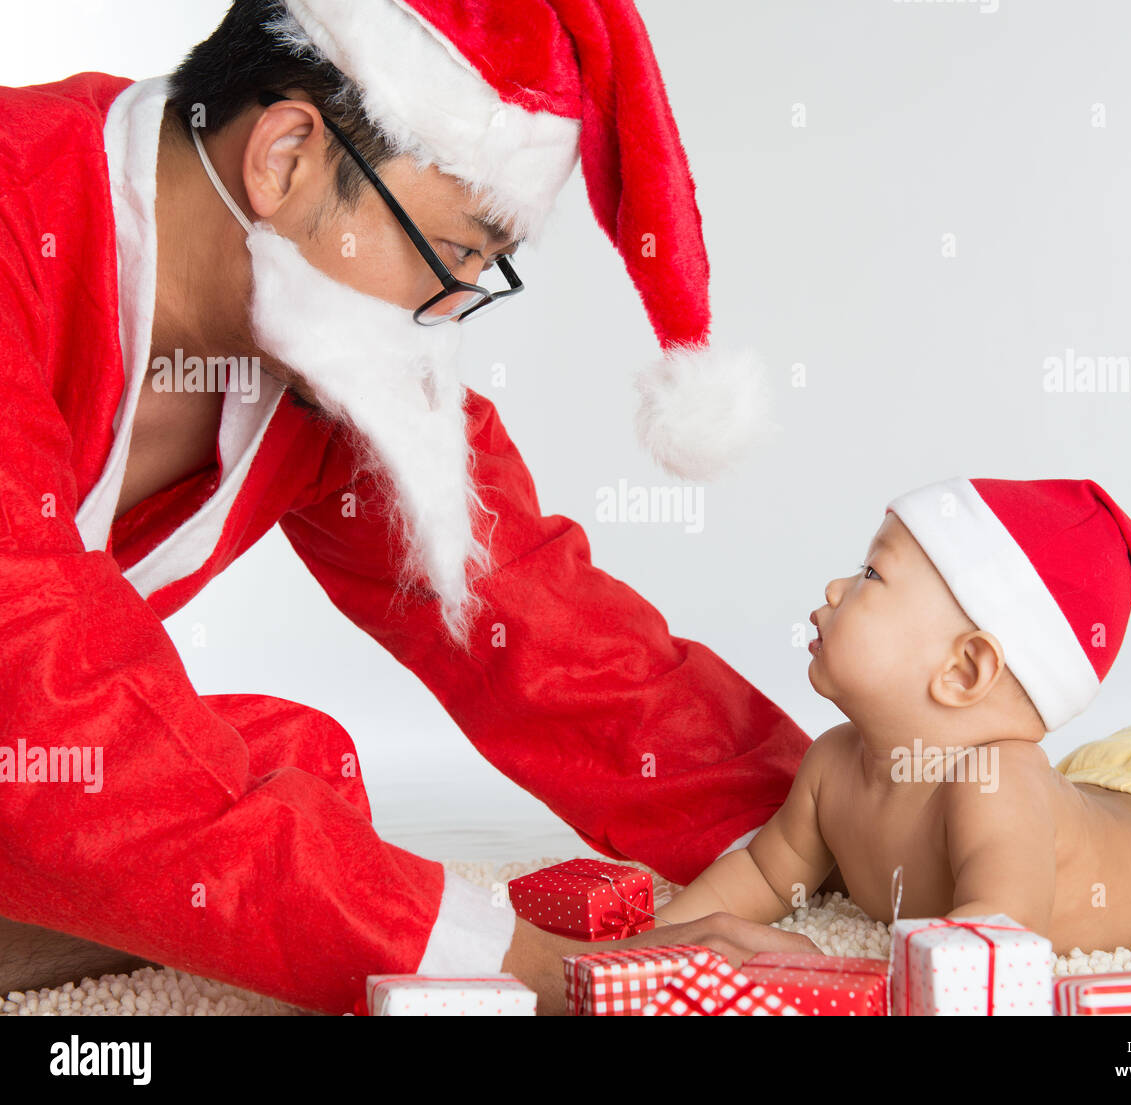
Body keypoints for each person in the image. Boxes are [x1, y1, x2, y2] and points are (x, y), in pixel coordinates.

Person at [0, 0, 824, 1016]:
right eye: (448, 253)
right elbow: (36, 693)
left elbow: (533, 621)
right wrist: (521, 965)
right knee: (145, 799)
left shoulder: (318, 343)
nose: (445, 316)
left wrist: (836, 815)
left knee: (297, 775)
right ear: (287, 155)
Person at [659, 478, 1131, 951]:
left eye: (870, 574)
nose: (833, 588)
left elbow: (993, 941)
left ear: (964, 670)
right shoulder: (831, 763)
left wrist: (830, 971)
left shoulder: (995, 784)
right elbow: (767, 873)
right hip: (1103, 782)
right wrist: (665, 932)